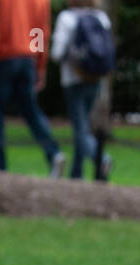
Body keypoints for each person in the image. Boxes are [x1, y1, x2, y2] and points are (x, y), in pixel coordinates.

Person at [0, 0, 65, 176]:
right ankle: (54, 153)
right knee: (31, 111)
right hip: (28, 58)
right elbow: (40, 30)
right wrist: (40, 63)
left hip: (3, 58)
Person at [51, 0, 114, 181]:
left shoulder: (66, 18)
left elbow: (57, 52)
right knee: (83, 126)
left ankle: (101, 158)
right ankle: (76, 174)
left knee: (80, 129)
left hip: (73, 79)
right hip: (95, 78)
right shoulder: (101, 18)